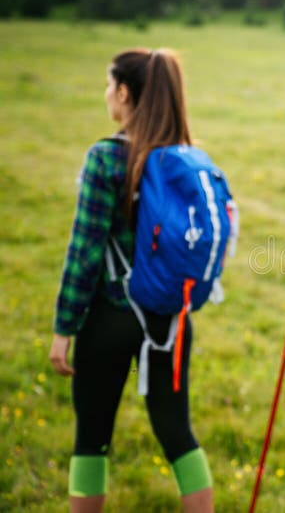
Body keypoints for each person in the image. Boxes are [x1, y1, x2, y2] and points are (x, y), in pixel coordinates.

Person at [49, 49, 214, 513]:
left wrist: (64, 329)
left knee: (92, 437)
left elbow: (84, 254)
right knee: (178, 432)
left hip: (111, 318)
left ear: (123, 92)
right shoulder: (186, 159)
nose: (106, 95)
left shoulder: (106, 158)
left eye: (109, 86)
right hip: (170, 320)